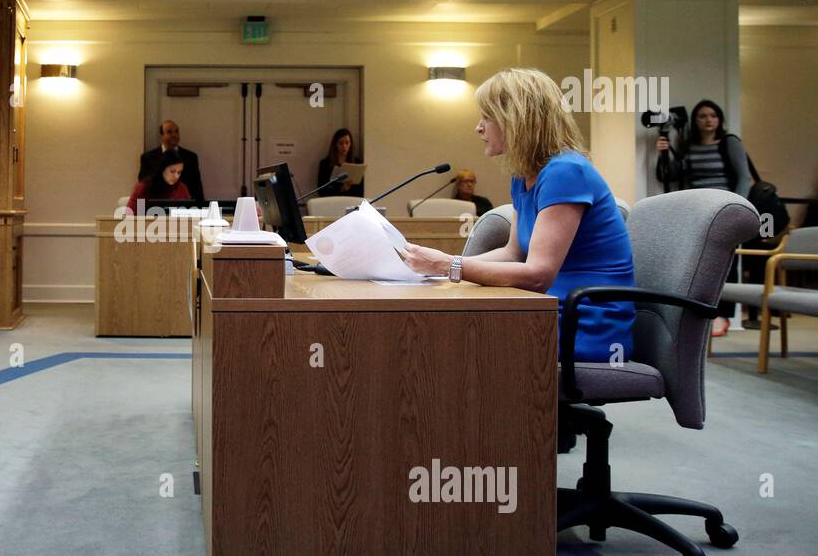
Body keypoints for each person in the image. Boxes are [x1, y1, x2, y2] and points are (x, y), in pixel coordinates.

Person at [400, 68, 635, 364]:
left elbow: (538, 275)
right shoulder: (523, 176)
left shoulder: (566, 172)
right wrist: (434, 266)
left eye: (487, 117)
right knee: (433, 334)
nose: (478, 127)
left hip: (584, 323)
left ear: (517, 119)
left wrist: (450, 266)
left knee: (440, 339)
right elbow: (512, 254)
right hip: (546, 310)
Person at [656, 99, 750, 337]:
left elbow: (743, 178)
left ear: (719, 120)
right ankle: (703, 312)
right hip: (698, 209)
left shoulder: (729, 143)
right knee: (701, 260)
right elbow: (675, 174)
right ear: (695, 121)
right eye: (702, 116)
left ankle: (724, 315)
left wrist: (740, 207)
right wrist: (664, 153)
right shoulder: (688, 146)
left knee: (728, 263)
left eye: (713, 116)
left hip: (725, 207)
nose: (708, 120)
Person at [138, 120, 204, 204]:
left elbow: (197, 187)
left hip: (184, 207)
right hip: (155, 207)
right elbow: (143, 187)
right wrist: (142, 213)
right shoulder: (148, 158)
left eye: (176, 131)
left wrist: (199, 209)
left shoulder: (190, 157)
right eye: (169, 132)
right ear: (161, 135)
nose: (174, 135)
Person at [316, 127, 364, 197]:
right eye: (341, 143)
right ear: (336, 144)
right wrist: (340, 189)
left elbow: (362, 189)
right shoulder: (325, 164)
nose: (344, 146)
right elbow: (321, 190)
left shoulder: (357, 163)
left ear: (351, 144)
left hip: (352, 203)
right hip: (331, 203)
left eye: (347, 143)